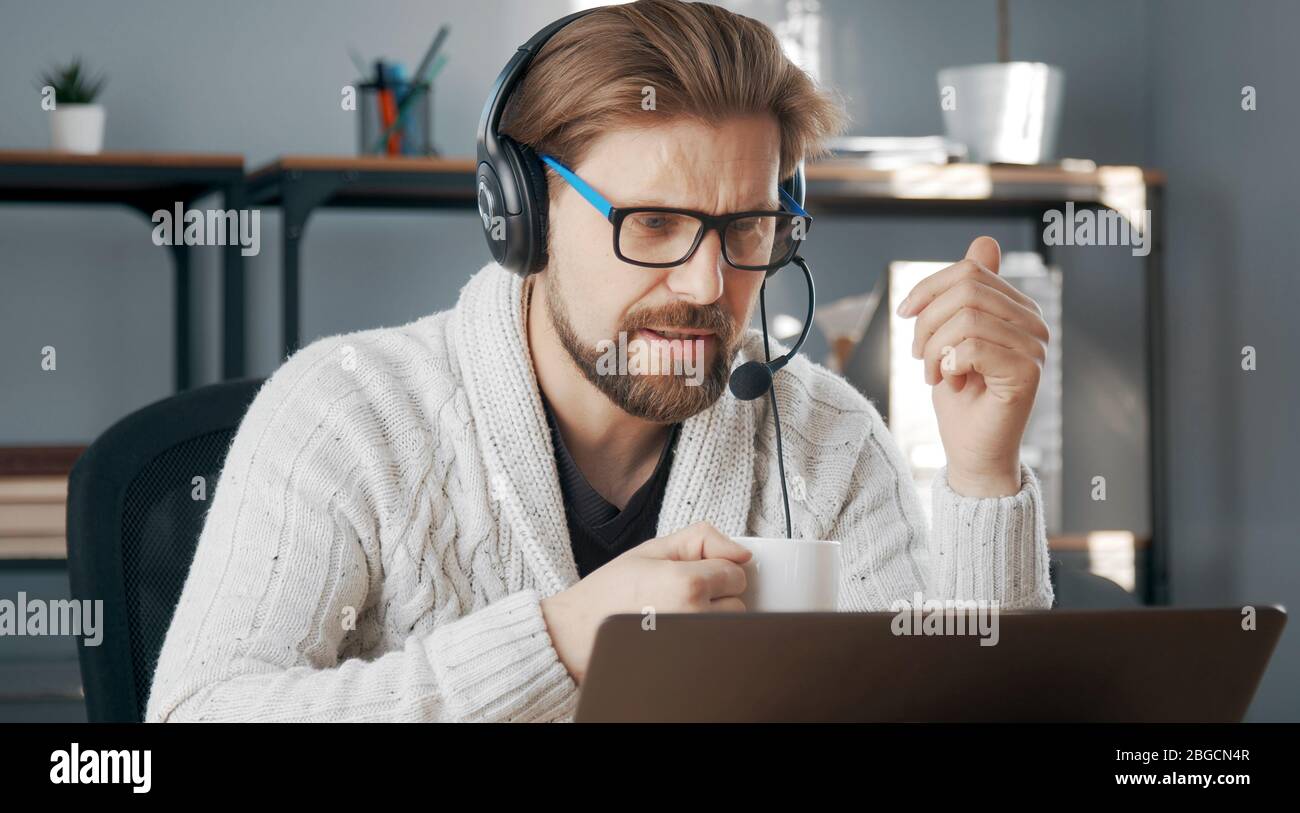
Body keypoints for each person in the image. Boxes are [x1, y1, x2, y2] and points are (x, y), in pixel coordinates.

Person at [146, 0, 1052, 723]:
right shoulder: (346, 415)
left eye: (746, 227)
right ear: (522, 217)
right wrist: (558, 640)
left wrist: (982, 475)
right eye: (652, 223)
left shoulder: (828, 443)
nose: (706, 283)